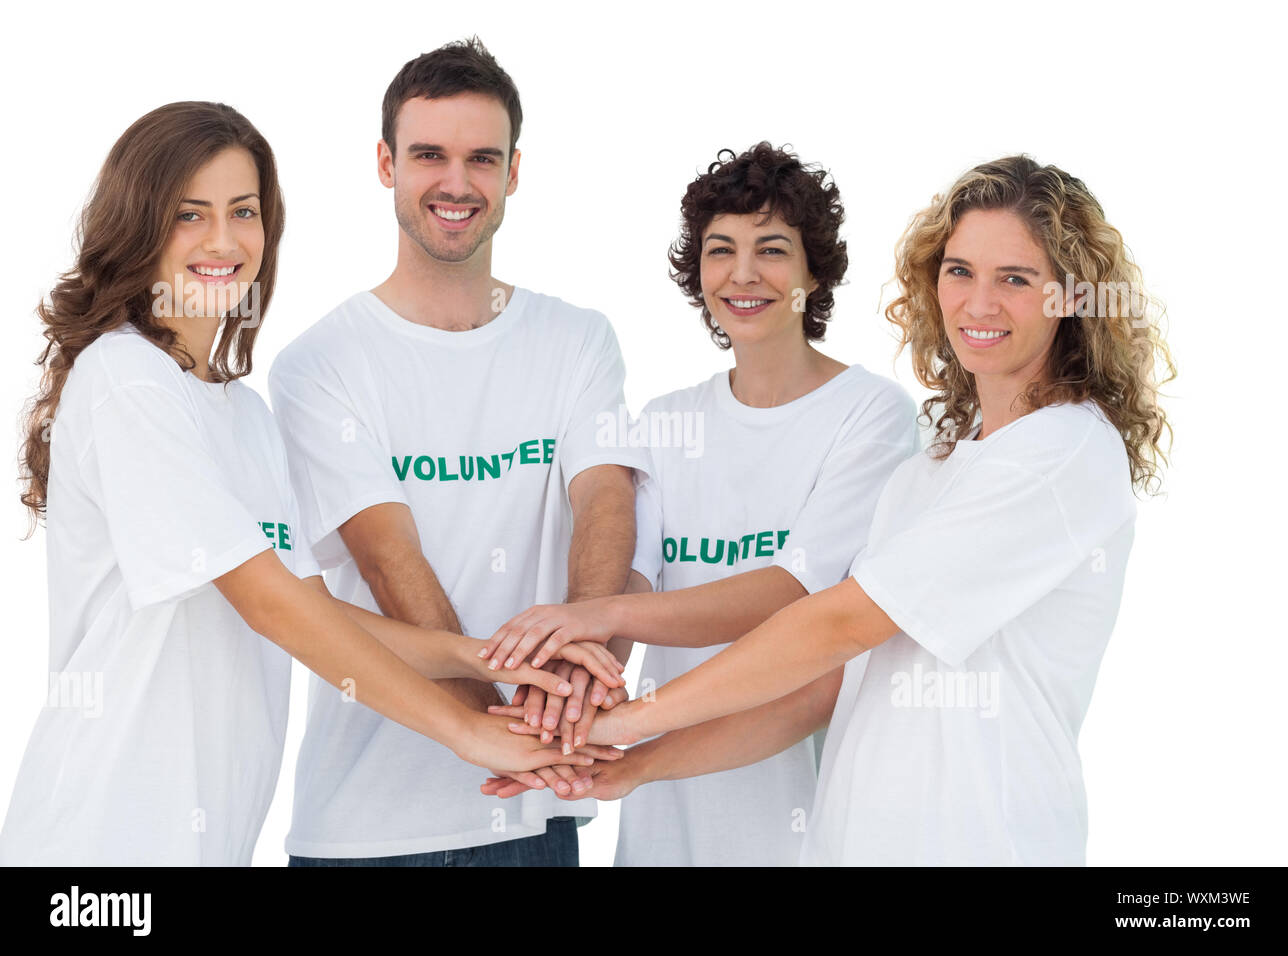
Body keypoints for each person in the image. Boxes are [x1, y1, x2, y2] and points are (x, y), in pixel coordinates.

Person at [485, 154, 1175, 866]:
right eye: (961, 271)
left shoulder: (1061, 451)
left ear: (1069, 298)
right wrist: (635, 762)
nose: (979, 302)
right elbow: (821, 688)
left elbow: (834, 621)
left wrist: (627, 715)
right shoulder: (932, 468)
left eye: (1016, 278)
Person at [0, 101, 619, 867]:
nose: (223, 240)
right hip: (95, 849)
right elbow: (270, 603)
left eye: (243, 211)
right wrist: (466, 729)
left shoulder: (246, 416)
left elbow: (323, 615)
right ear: (140, 226)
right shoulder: (126, 377)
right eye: (189, 215)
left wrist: (486, 661)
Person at [479, 142, 917, 865]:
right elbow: (634, 587)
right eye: (721, 251)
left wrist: (598, 614)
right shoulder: (664, 420)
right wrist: (568, 709)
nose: (743, 275)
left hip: (801, 822)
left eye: (772, 250)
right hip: (663, 813)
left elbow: (791, 592)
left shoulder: (872, 414)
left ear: (815, 269)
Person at [268, 38, 645, 867]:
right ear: (385, 164)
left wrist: (573, 685)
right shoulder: (318, 364)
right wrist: (510, 727)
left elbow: (607, 502)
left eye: (482, 158)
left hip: (536, 823)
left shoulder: (578, 339)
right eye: (429, 155)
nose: (456, 183)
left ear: (513, 172)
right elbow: (388, 563)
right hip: (371, 830)